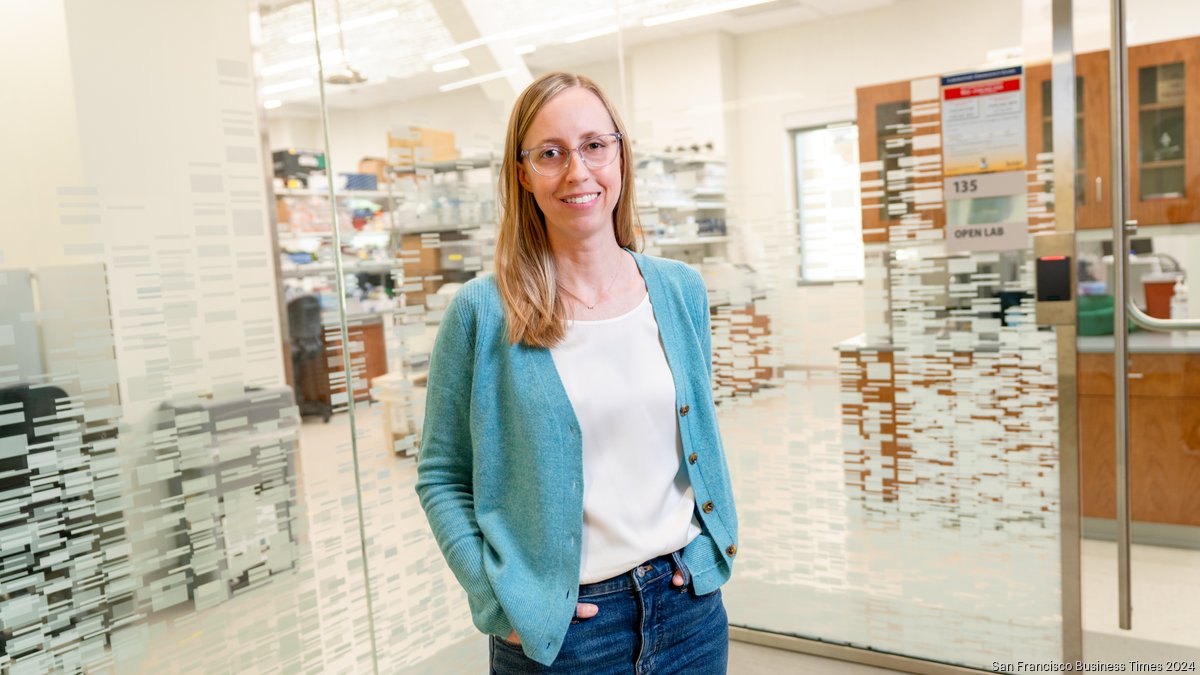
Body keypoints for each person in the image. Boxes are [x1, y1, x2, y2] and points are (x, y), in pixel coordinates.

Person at [415, 71, 739, 674]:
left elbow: (694, 440)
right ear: (522, 174)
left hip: (688, 609)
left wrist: (706, 551)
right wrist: (497, 601)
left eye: (594, 145)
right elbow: (440, 475)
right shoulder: (483, 313)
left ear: (620, 155)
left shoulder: (680, 290)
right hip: (565, 635)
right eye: (550, 153)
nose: (578, 172)